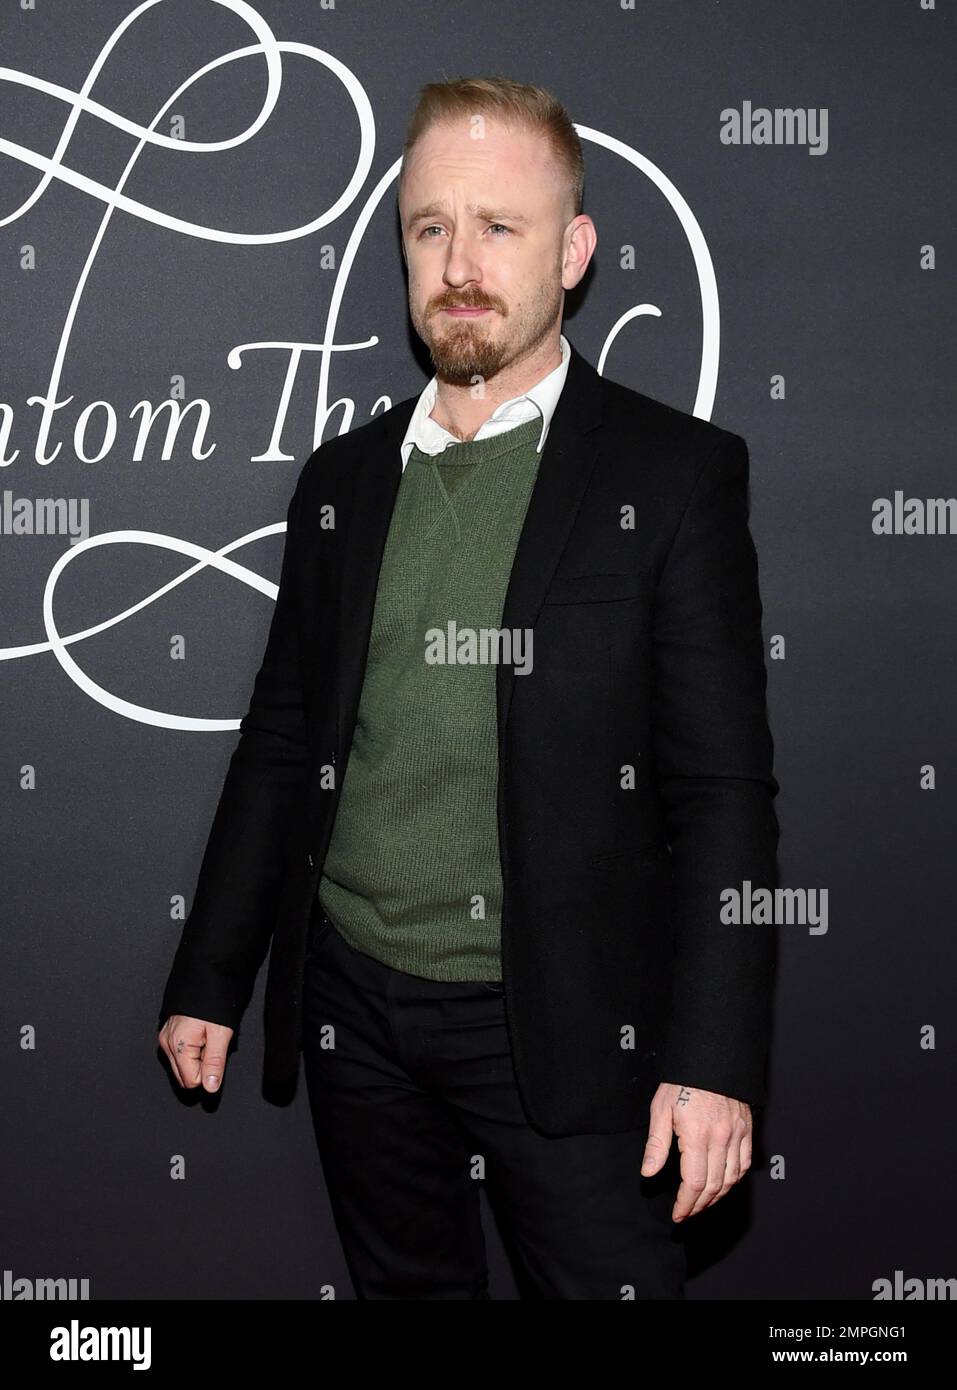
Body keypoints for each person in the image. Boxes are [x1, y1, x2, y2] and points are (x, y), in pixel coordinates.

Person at [158, 75, 780, 1300]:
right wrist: (211, 976)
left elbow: (724, 794)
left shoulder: (674, 475)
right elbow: (284, 742)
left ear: (576, 250)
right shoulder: (344, 479)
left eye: (501, 226)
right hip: (356, 1008)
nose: (459, 262)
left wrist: (716, 1059)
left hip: (570, 1026)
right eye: (430, 226)